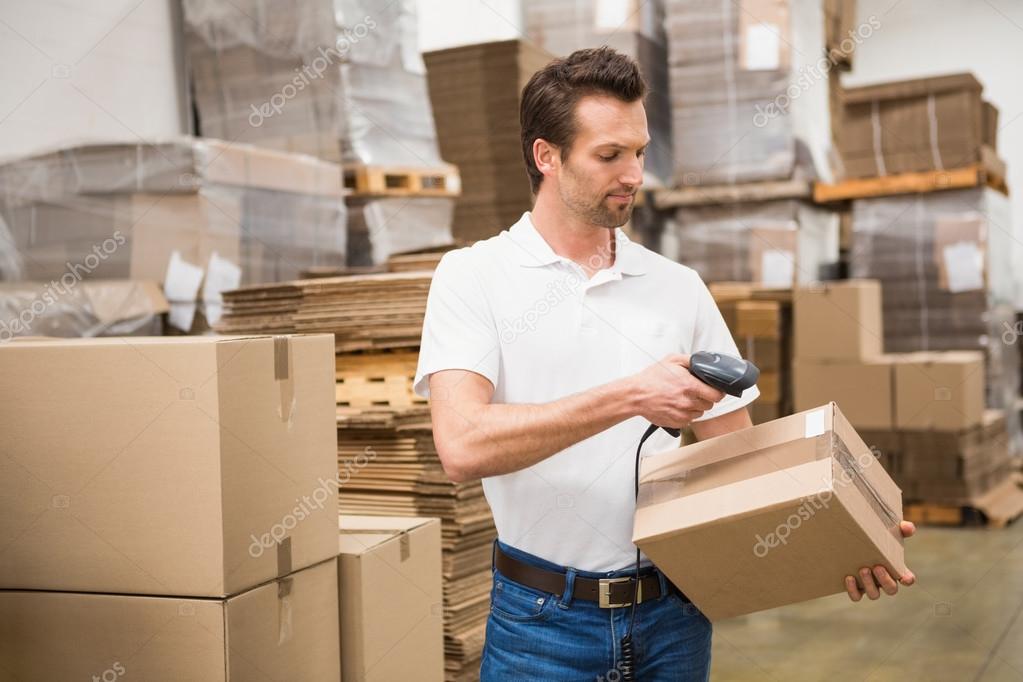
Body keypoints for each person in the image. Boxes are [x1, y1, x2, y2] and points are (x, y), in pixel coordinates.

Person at [413, 46, 915, 681]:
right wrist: (629, 397)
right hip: (542, 625)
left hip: (673, 616)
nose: (633, 174)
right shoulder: (474, 277)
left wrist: (842, 531)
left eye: (640, 152)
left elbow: (741, 464)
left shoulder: (677, 286)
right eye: (609, 156)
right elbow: (461, 444)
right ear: (547, 156)